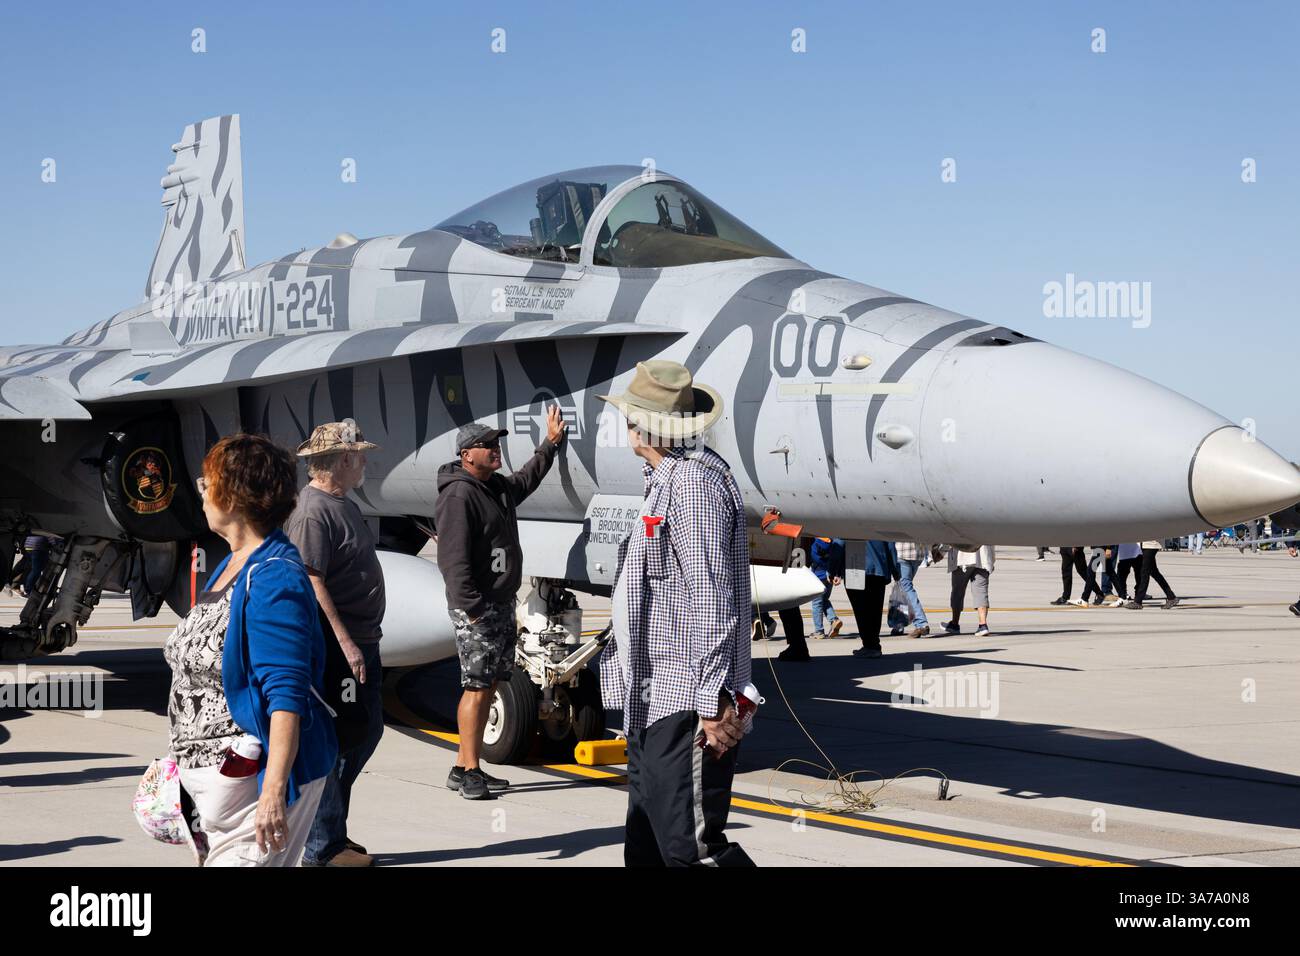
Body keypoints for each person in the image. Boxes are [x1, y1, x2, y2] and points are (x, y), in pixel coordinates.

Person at [598, 360, 753, 866]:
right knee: (645, 850)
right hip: (651, 697)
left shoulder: (693, 487)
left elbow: (712, 600)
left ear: (640, 427)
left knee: (692, 852)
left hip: (685, 701)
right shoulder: (665, 479)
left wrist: (711, 702)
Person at [163, 433, 337, 867]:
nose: (201, 493)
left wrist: (273, 791)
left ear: (234, 495)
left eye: (207, 483)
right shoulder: (233, 563)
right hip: (216, 785)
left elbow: (286, 692)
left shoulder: (274, 576)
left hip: (253, 784)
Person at [434, 411, 565, 799]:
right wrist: (474, 610)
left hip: (497, 604)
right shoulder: (459, 495)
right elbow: (452, 562)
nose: (496, 450)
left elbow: (525, 480)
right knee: (476, 687)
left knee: (489, 683)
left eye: (497, 444)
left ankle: (464, 766)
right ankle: (470, 769)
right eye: (488, 445)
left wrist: (550, 444)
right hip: (479, 609)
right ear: (466, 455)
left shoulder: (494, 487)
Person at [286, 422, 387, 868]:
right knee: (339, 738)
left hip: (363, 639)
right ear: (343, 460)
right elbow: (310, 578)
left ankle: (329, 832)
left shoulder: (342, 503)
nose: (365, 460)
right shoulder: (313, 511)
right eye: (359, 454)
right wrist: (345, 641)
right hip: (337, 645)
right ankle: (322, 847)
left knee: (365, 732)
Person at [845, 541, 900, 658]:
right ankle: (873, 644)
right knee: (875, 610)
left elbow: (839, 544)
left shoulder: (848, 524)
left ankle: (869, 645)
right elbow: (890, 546)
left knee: (861, 611)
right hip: (878, 570)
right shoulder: (881, 523)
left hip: (855, 568)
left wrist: (833, 569)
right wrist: (895, 570)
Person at [942, 544, 995, 636]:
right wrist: (991, 559)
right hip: (983, 559)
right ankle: (983, 625)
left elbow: (950, 537)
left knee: (958, 591)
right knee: (981, 592)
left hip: (963, 560)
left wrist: (938, 552)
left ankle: (955, 624)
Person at [809, 536, 845, 639]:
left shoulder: (816, 543)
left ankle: (819, 630)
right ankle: (833, 620)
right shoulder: (834, 543)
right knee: (824, 599)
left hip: (818, 575)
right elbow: (838, 558)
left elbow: (814, 557)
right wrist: (836, 573)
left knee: (816, 603)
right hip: (830, 576)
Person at [894, 540, 931, 638]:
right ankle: (899, 624)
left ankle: (921, 623)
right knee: (901, 589)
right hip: (918, 554)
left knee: (906, 588)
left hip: (902, 552)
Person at [1128, 539, 1178, 609]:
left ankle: (1138, 601)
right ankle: (1171, 597)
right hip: (1145, 544)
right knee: (1154, 572)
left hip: (1152, 544)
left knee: (1144, 572)